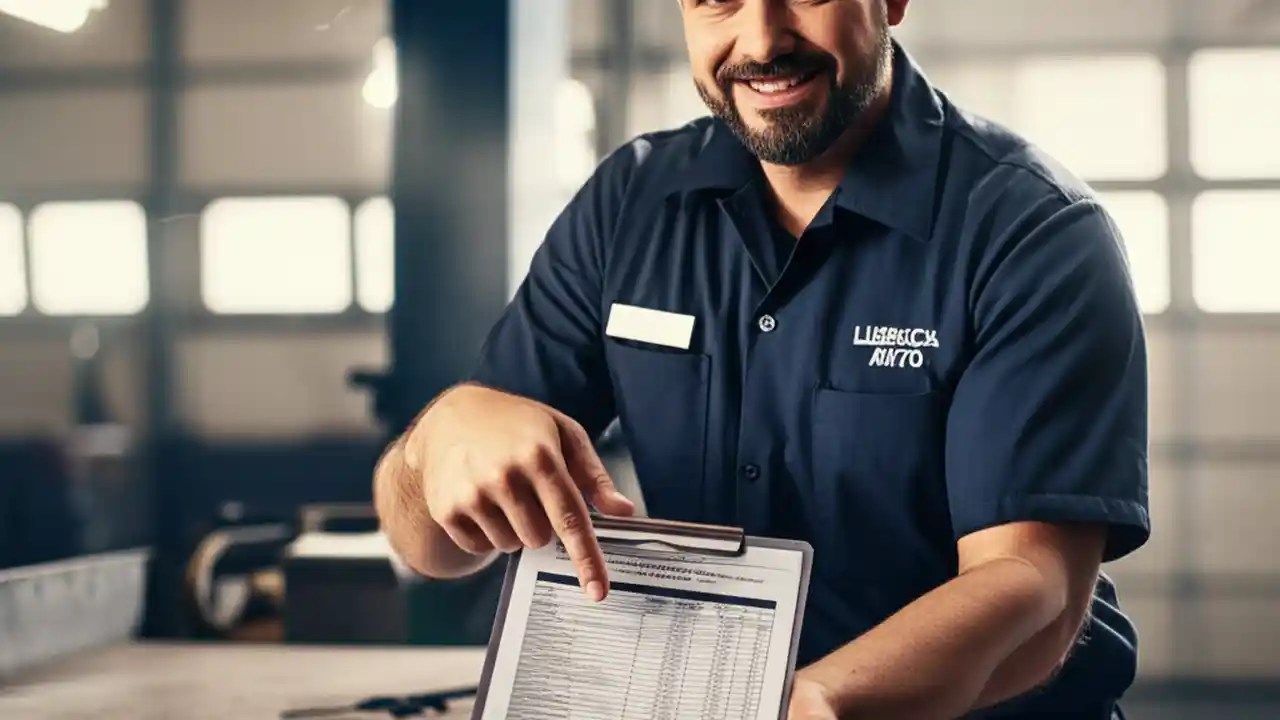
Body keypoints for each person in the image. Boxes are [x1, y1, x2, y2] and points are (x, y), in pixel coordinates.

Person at [373, 1, 1150, 717]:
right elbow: (432, 549)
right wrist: (437, 443)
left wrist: (812, 703)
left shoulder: (1033, 234)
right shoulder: (629, 207)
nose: (762, 39)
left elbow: (1033, 588)